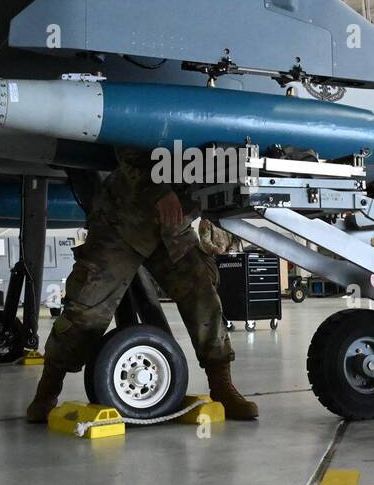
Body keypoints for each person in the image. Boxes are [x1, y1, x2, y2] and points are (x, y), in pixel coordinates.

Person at [26, 148, 258, 423]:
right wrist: (159, 190)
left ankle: (222, 387)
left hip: (172, 228)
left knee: (203, 296)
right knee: (86, 308)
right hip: (123, 221)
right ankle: (47, 391)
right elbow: (128, 149)